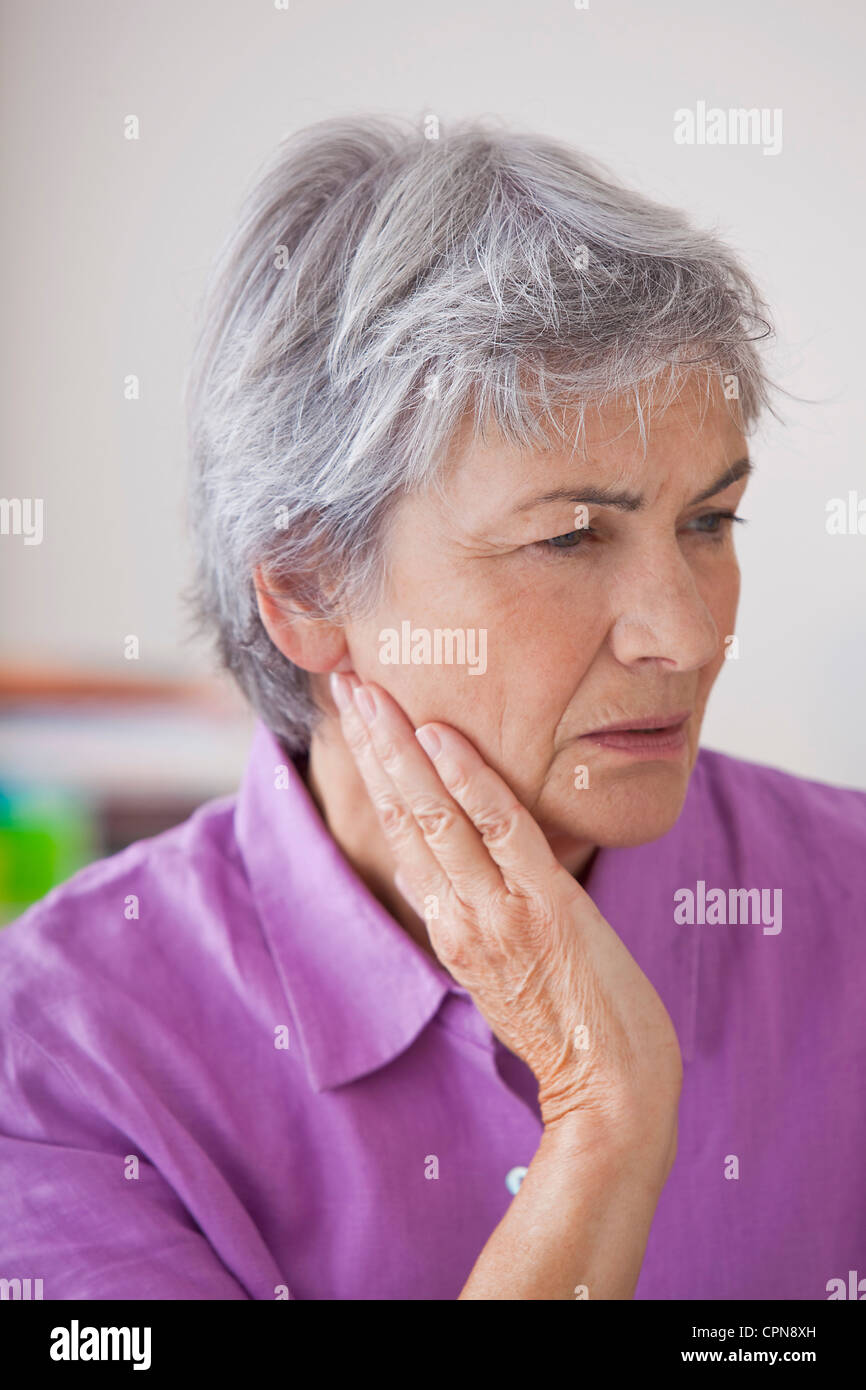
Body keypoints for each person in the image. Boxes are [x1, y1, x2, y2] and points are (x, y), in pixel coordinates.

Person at [1, 115, 864, 1301]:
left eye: (707, 521)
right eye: (569, 536)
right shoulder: (54, 1061)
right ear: (306, 588)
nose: (682, 634)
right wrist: (602, 1125)